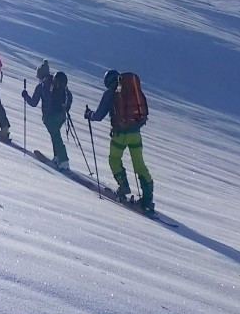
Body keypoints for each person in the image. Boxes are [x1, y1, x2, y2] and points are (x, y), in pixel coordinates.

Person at [85, 69, 153, 213]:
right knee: (139, 165)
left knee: (114, 159)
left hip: (120, 134)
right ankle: (148, 199)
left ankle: (123, 186)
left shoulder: (110, 93)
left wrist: (88, 114)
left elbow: (98, 115)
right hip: (135, 133)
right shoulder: (132, 90)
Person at [21, 60, 71, 171]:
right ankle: (57, 157)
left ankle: (64, 161)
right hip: (61, 115)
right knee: (55, 135)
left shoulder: (42, 86)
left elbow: (33, 103)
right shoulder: (57, 82)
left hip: (50, 117)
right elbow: (68, 96)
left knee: (56, 137)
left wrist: (25, 96)